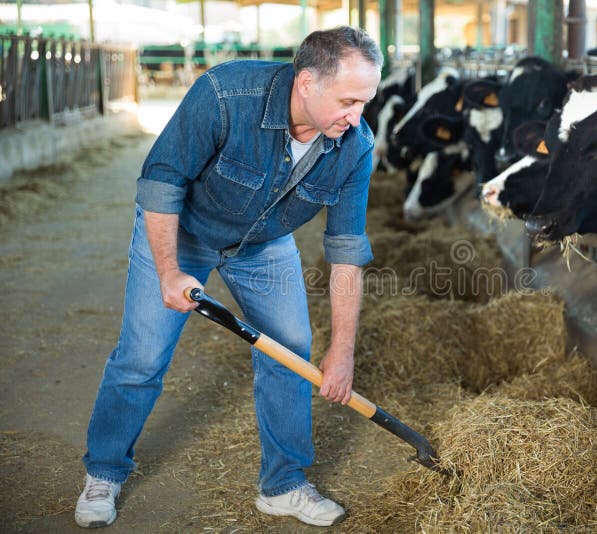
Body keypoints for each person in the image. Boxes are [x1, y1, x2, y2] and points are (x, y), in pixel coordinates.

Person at [74, 26, 382, 528]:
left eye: (365, 102)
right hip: (182, 233)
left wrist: (343, 349)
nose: (357, 116)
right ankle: (104, 471)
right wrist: (170, 272)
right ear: (307, 83)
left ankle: (283, 484)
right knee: (143, 355)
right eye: (349, 101)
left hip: (262, 244)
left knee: (290, 350)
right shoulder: (225, 94)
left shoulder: (355, 146)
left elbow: (346, 250)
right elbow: (161, 180)